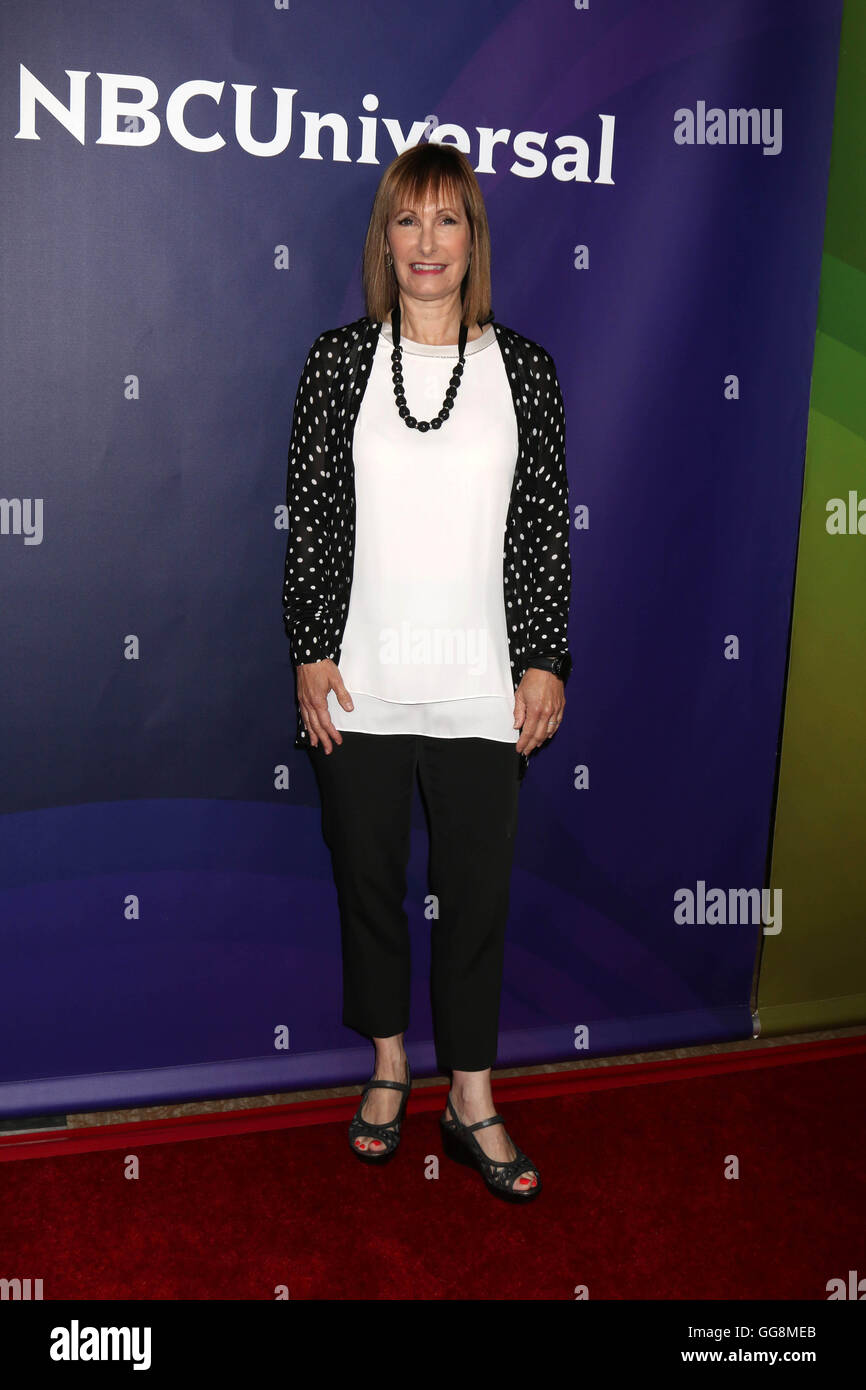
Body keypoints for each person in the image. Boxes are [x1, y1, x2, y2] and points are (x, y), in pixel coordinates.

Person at [282, 142, 571, 1202]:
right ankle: (390, 1067)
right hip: (359, 679)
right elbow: (311, 520)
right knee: (366, 880)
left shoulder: (524, 370)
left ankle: (472, 1091)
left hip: (481, 686)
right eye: (407, 221)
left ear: (473, 240)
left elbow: (541, 535)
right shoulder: (334, 363)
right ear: (384, 239)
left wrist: (543, 658)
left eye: (447, 221)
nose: (426, 243)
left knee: (476, 896)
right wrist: (310, 648)